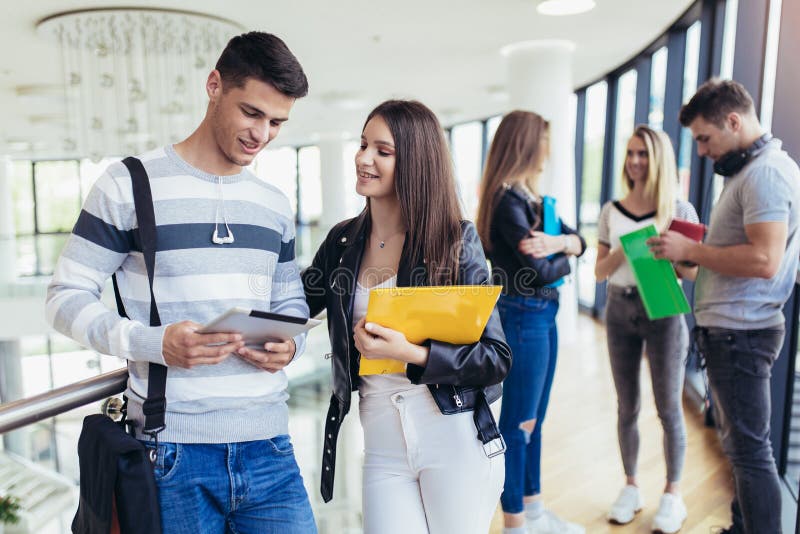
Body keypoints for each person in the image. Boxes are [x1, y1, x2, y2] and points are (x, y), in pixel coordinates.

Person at [45, 32, 317, 534]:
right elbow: (65, 298)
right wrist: (153, 343)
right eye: (251, 113)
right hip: (171, 454)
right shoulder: (127, 184)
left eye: (277, 122)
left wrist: (289, 345)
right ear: (214, 85)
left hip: (271, 449)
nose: (263, 133)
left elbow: (289, 298)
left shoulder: (274, 202)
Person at [302, 99, 510, 534]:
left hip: (454, 437)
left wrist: (411, 353)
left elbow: (495, 358)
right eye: (362, 145)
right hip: (381, 443)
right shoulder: (343, 241)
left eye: (382, 150)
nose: (363, 158)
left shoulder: (453, 240)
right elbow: (295, 304)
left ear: (414, 161)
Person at [648, 78, 800, 534]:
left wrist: (693, 251)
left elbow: (764, 259)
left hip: (742, 333)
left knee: (751, 454)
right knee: (741, 450)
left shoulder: (767, 174)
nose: (701, 150)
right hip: (733, 330)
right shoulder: (750, 171)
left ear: (734, 121)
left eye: (704, 138)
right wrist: (687, 253)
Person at [475, 110, 586, 534]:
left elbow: (581, 241)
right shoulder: (507, 202)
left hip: (542, 312)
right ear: (528, 145)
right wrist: (567, 253)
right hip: (522, 313)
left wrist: (561, 243)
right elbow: (537, 270)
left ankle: (535, 511)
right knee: (518, 423)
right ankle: (516, 523)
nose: (549, 151)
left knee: (533, 420)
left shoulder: (532, 198)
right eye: (544, 141)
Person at [594, 125, 698, 533]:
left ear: (659, 161)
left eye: (643, 154)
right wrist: (626, 246)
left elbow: (690, 272)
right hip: (620, 310)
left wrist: (669, 252)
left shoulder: (679, 210)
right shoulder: (610, 211)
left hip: (664, 314)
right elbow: (601, 271)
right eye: (631, 153)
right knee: (627, 406)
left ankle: (673, 494)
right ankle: (631, 486)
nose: (635, 161)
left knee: (669, 408)